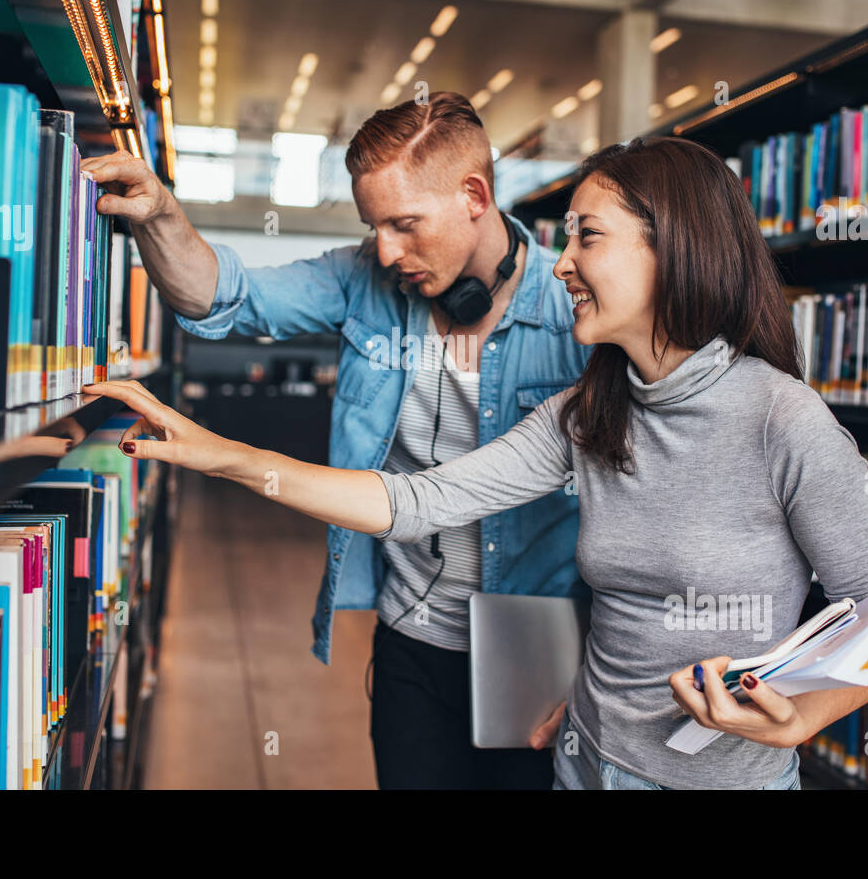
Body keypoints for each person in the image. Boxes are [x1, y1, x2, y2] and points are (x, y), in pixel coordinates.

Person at [85, 133, 868, 790]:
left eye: (587, 238)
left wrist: (806, 717)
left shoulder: (782, 419)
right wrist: (220, 454)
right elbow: (417, 502)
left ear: (674, 250)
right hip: (575, 756)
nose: (564, 265)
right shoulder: (590, 410)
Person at [81, 93, 591, 789]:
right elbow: (218, 299)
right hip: (410, 641)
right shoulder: (364, 279)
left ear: (475, 195)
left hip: (542, 654)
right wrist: (164, 217)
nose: (386, 250)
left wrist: (604, 676)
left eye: (405, 224)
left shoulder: (577, 315)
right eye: (373, 225)